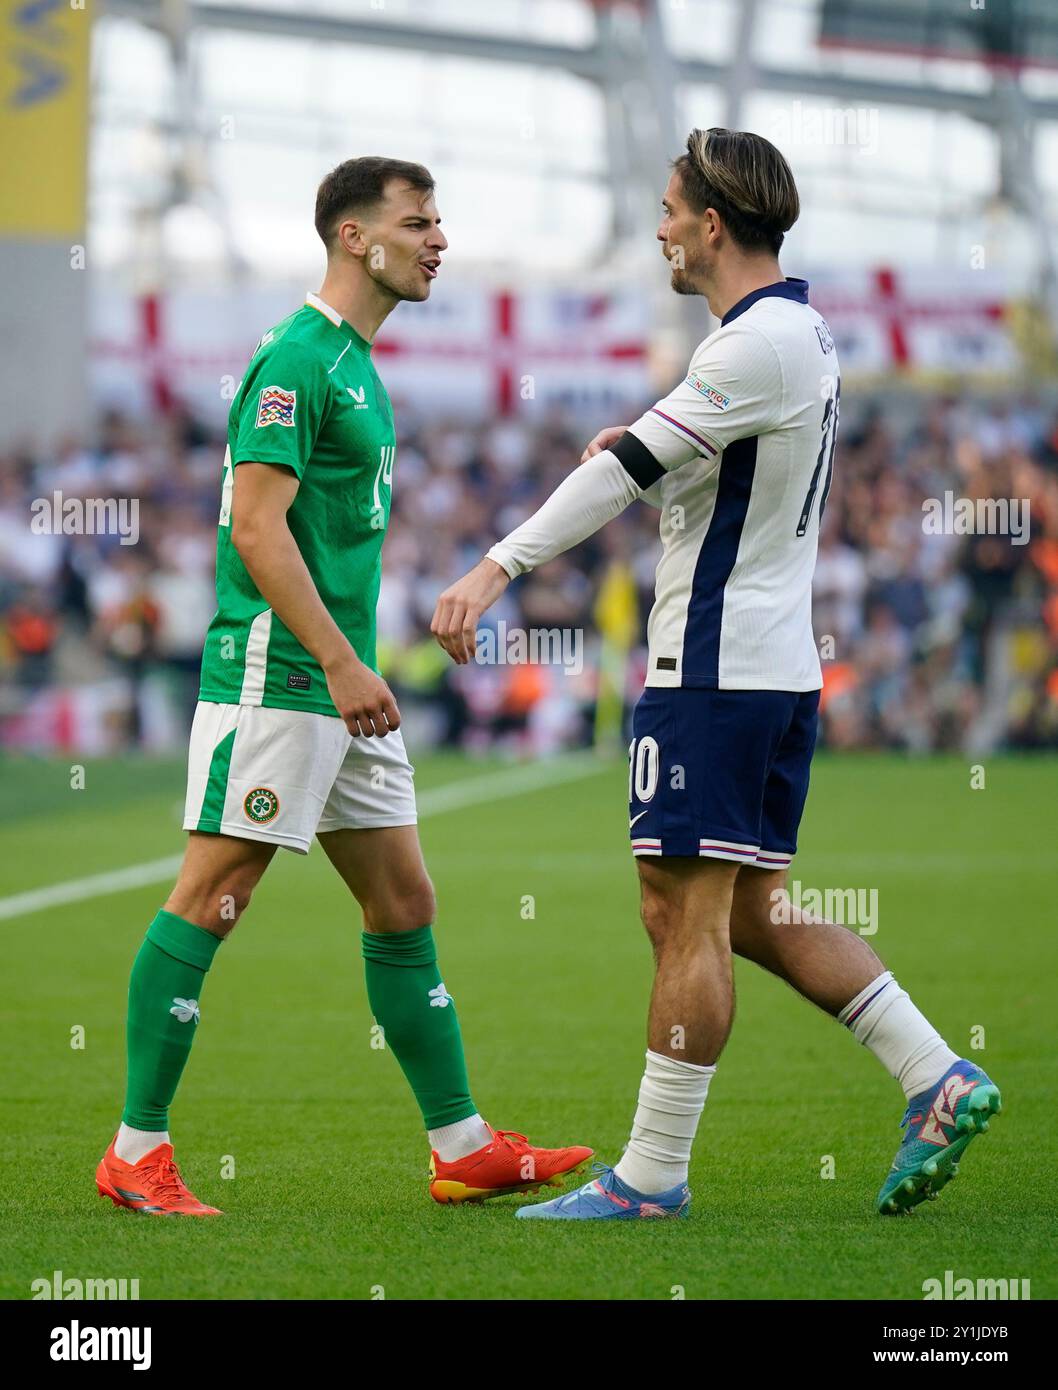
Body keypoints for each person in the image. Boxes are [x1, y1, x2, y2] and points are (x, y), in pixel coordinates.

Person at [431, 128, 1000, 1221]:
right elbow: (708, 475)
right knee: (745, 913)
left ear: (709, 223)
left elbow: (619, 479)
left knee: (676, 915)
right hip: (767, 668)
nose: (655, 228)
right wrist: (644, 457)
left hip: (712, 671)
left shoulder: (751, 346)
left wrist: (492, 566)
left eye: (664, 208)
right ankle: (936, 1074)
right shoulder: (795, 332)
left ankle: (647, 1177)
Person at [95, 156, 591, 1216]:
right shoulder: (295, 360)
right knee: (212, 897)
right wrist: (337, 658)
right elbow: (256, 530)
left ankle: (460, 1143)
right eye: (420, 222)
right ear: (356, 238)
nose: (439, 239)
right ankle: (135, 1150)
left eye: (439, 220)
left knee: (402, 899)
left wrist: (347, 666)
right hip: (283, 677)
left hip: (338, 687)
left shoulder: (357, 366)